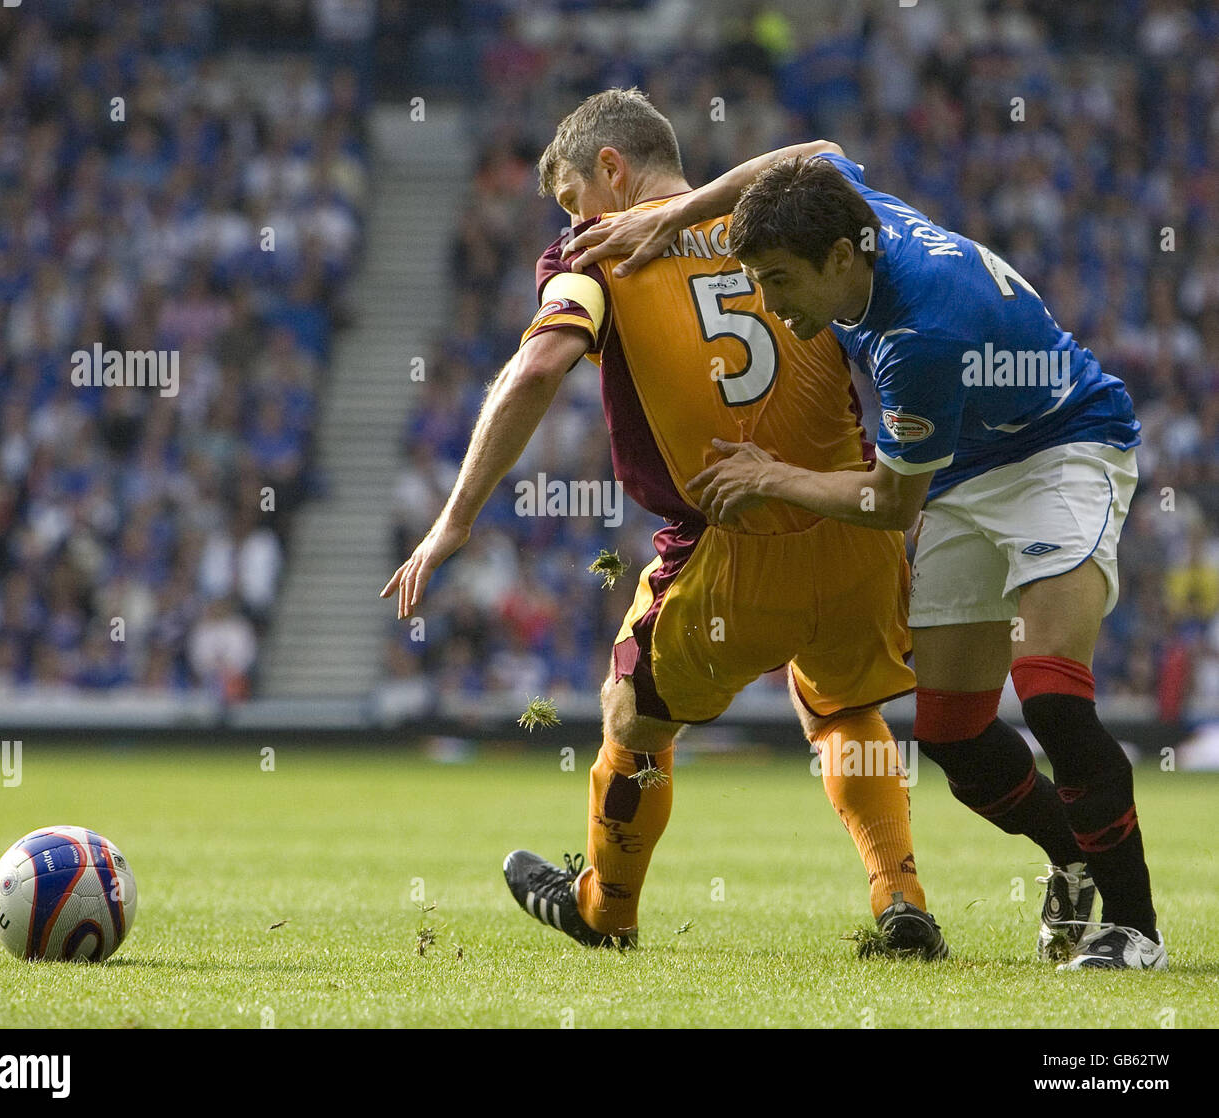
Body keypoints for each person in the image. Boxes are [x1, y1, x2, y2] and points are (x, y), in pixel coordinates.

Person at [566, 143, 1163, 970]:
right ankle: (1073, 860)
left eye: (778, 281)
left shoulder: (916, 336)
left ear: (841, 259)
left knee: (1054, 699)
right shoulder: (845, 207)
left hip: (1060, 449)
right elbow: (811, 152)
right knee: (953, 733)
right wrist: (679, 211)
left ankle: (1134, 930)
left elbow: (888, 503)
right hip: (966, 463)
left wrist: (775, 475)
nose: (770, 305)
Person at [382, 89, 947, 958]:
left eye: (574, 197)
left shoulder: (594, 254)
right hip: (856, 519)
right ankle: (900, 898)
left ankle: (606, 908)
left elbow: (537, 371)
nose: (576, 219)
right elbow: (827, 152)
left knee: (633, 718)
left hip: (729, 538)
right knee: (842, 708)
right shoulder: (776, 212)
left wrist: (453, 521)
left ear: (610, 169)